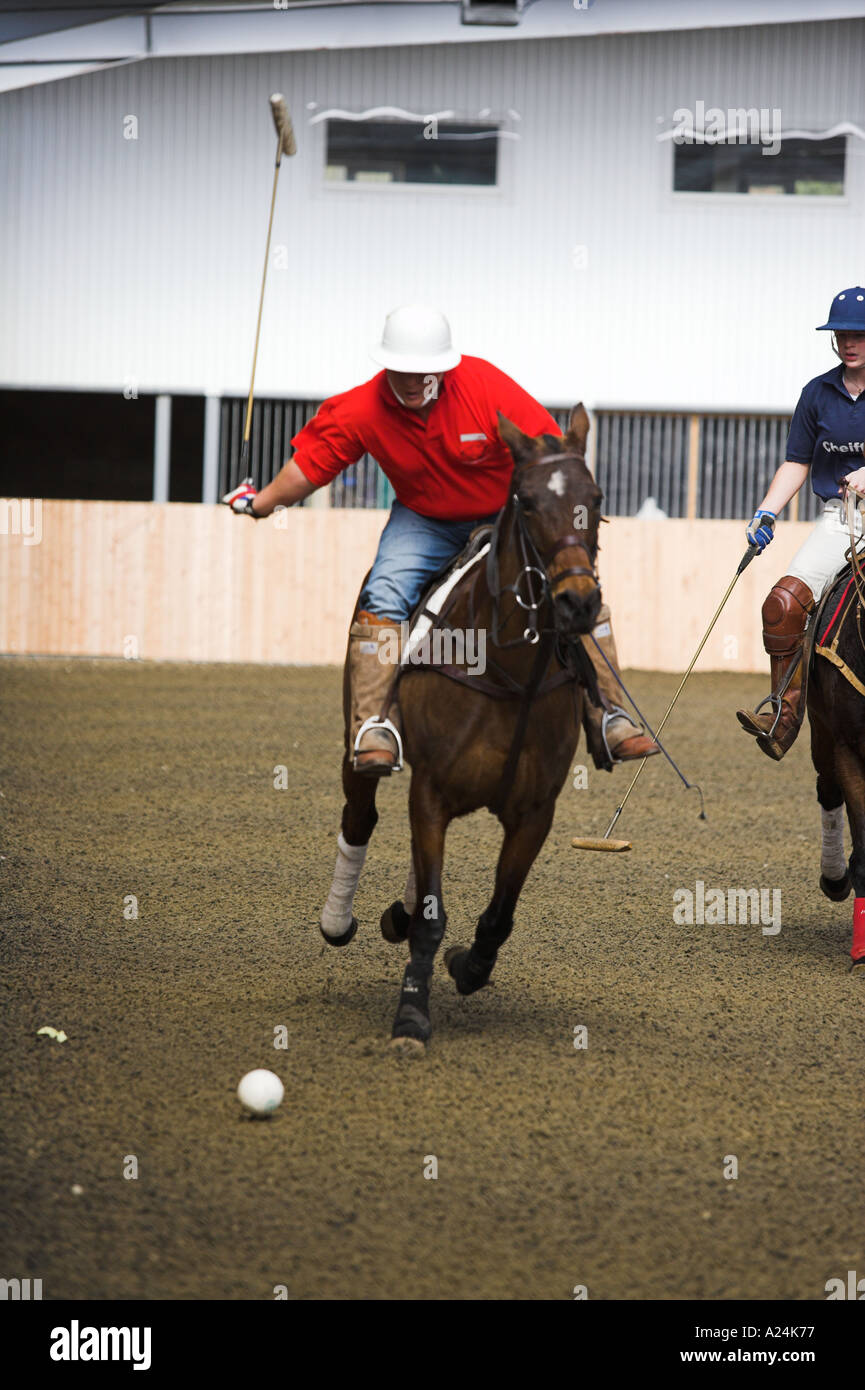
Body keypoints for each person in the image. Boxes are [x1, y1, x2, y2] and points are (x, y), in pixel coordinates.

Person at [224, 303, 657, 775]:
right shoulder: (361, 408)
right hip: (423, 521)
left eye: (425, 372)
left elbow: (550, 459)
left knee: (572, 588)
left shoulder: (485, 386)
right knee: (384, 592)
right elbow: (311, 466)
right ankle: (373, 726)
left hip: (503, 515)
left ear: (447, 366)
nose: (413, 382)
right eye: (403, 371)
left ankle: (610, 714)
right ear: (386, 364)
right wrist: (262, 502)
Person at [737, 286, 865, 758]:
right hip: (842, 517)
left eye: (860, 335)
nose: (849, 343)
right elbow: (797, 462)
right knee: (783, 605)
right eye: (842, 335)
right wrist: (766, 510)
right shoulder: (817, 393)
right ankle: (783, 713)